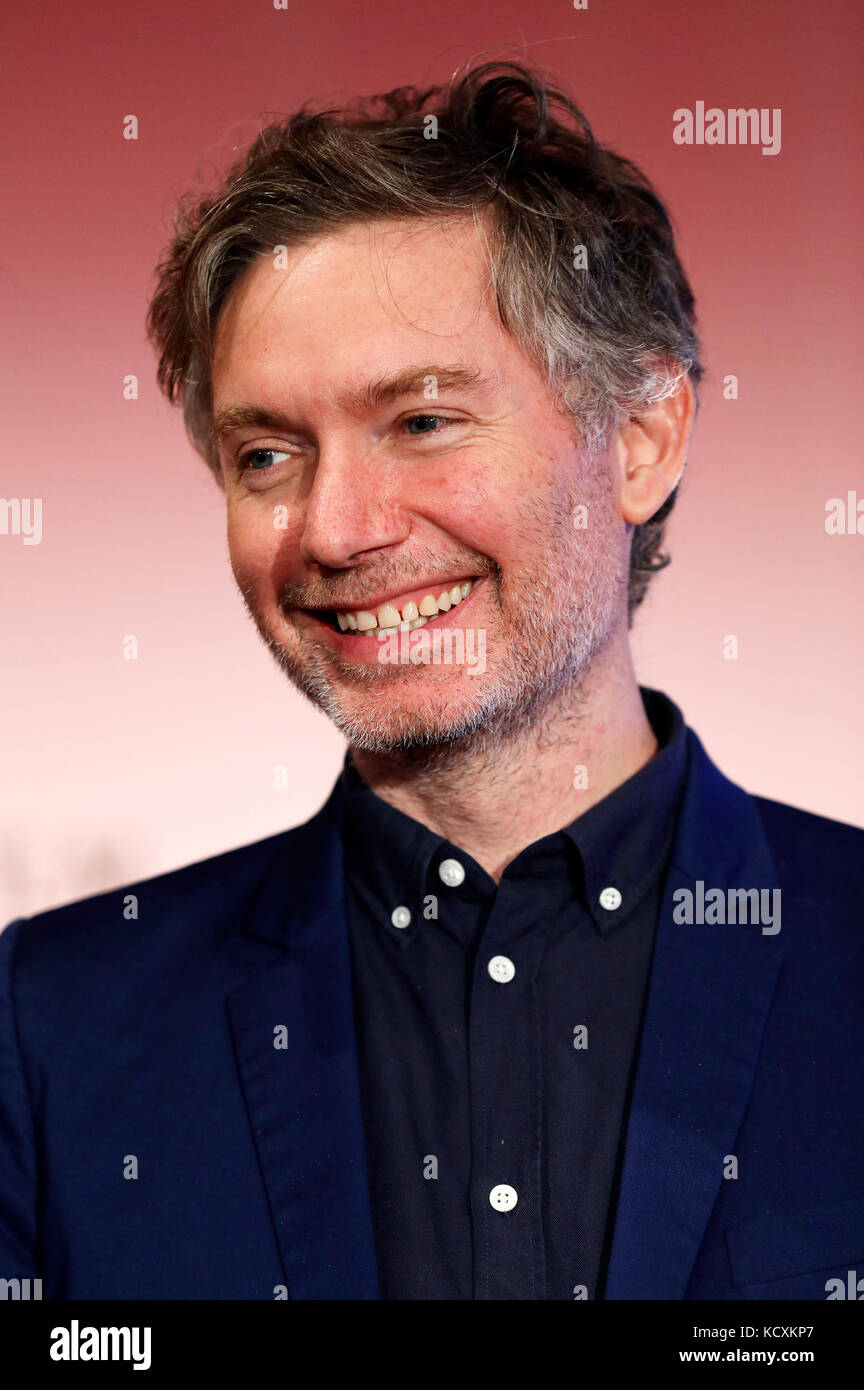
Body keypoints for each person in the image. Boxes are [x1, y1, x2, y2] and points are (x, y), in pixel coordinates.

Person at [2, 61, 862, 1301]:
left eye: (421, 422)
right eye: (266, 453)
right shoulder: (58, 1032)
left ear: (641, 439)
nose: (336, 529)